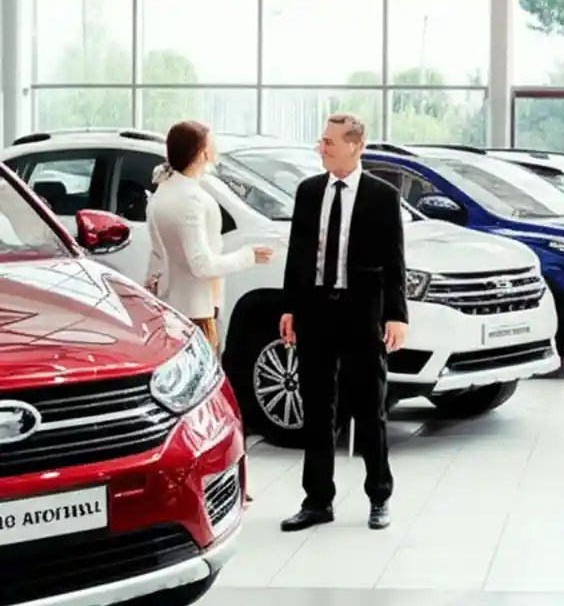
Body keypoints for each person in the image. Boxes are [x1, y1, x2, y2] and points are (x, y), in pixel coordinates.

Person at [278, 113, 408, 533]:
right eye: (321, 140)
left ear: (355, 145)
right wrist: (289, 307)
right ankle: (317, 500)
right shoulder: (309, 191)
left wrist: (397, 315)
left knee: (370, 408)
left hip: (361, 312)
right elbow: (298, 254)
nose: (322, 147)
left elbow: (395, 261)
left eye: (330, 142)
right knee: (316, 410)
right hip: (315, 310)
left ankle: (379, 496)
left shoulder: (382, 196)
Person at [145, 120, 273, 354]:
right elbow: (201, 264)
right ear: (203, 153)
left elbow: (156, 258)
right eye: (213, 144)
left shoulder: (162, 192)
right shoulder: (191, 198)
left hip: (171, 307)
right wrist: (248, 256)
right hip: (195, 312)